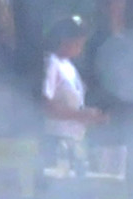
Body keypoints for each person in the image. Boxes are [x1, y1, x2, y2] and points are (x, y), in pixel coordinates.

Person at [37, 18, 101, 167]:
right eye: (78, 42)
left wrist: (90, 116)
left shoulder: (69, 65)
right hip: (56, 141)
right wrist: (80, 115)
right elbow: (46, 106)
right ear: (64, 40)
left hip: (74, 139)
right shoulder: (51, 63)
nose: (80, 47)